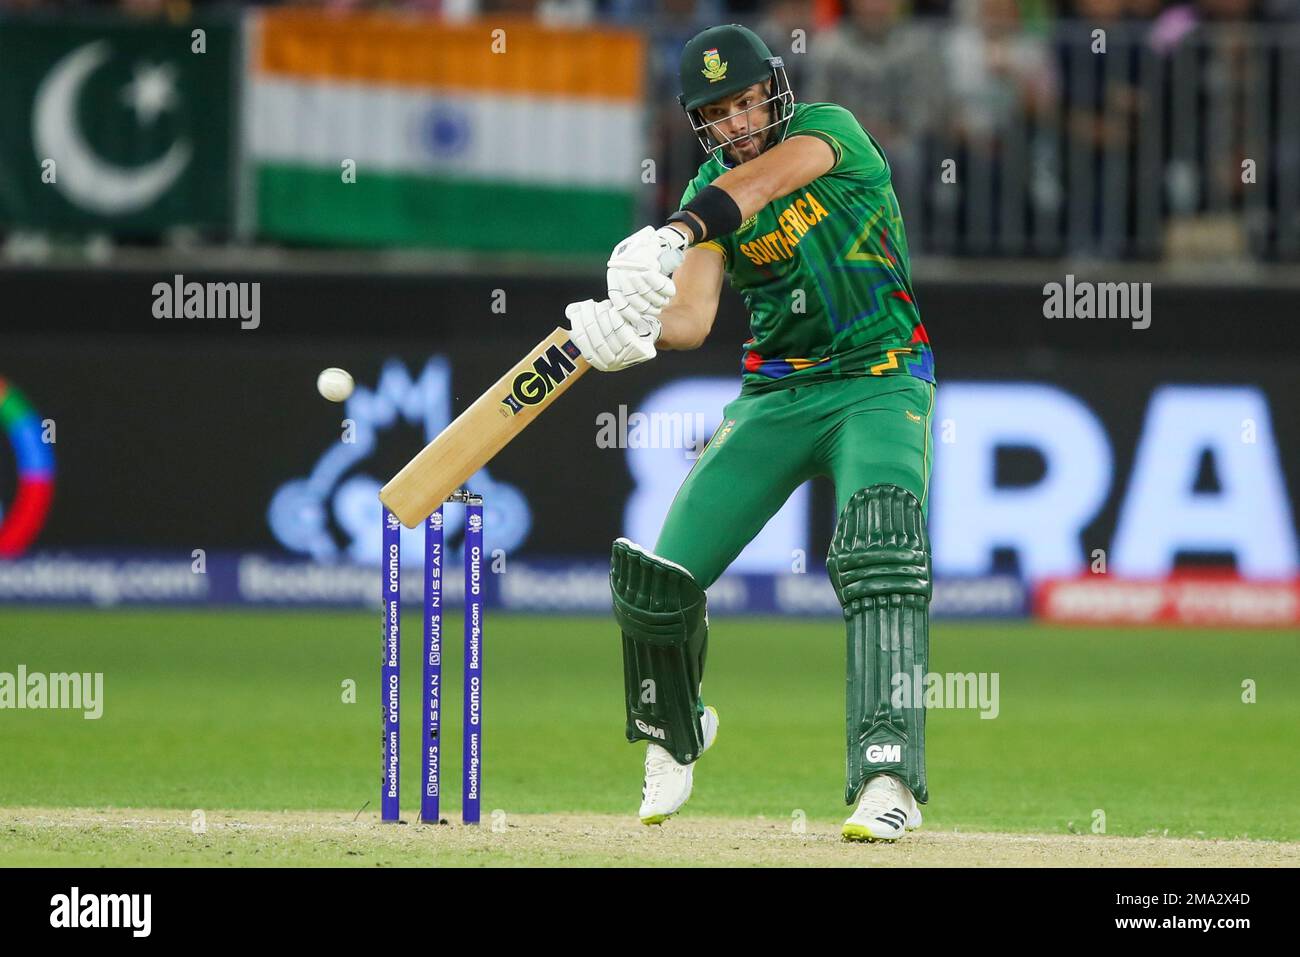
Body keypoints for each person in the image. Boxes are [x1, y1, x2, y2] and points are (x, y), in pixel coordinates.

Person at [565, 22, 937, 842]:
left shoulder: (827, 134)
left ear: (773, 89)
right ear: (700, 124)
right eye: (717, 115)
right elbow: (691, 320)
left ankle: (889, 778)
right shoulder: (708, 189)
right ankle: (675, 729)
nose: (737, 125)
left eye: (745, 103)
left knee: (882, 551)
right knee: (657, 581)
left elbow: (761, 188)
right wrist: (623, 330)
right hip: (776, 395)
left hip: (880, 379)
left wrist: (674, 231)